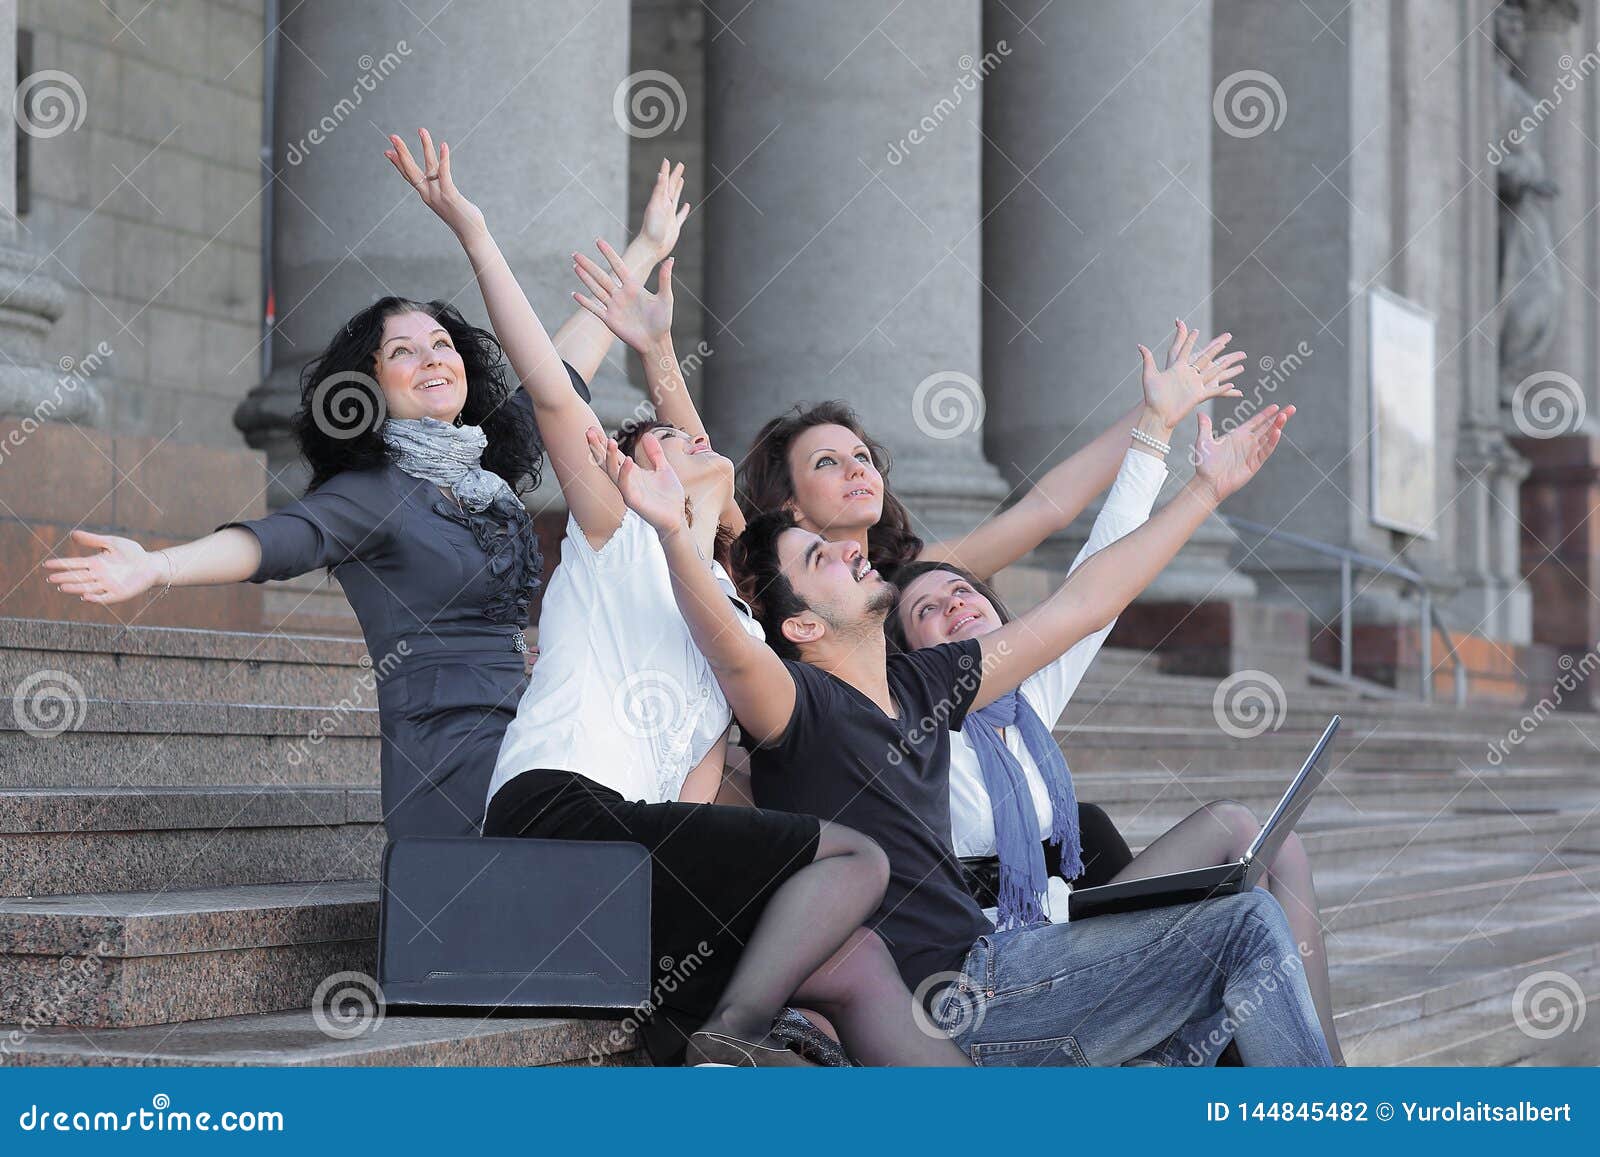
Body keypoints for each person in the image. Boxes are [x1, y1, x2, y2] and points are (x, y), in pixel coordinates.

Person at [378, 128, 970, 1069]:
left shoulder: (725, 618)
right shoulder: (611, 536)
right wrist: (476, 232)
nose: (692, 438)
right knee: (857, 858)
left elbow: (696, 793)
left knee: (855, 957)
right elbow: (549, 388)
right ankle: (727, 1037)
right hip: (554, 818)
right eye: (667, 438)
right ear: (630, 467)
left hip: (629, 871)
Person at [592, 389, 1331, 1066]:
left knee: (1227, 967)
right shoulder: (799, 704)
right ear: (803, 623)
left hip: (1006, 970)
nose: (855, 545)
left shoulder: (927, 683)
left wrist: (1204, 489)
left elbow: (1081, 603)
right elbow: (726, 640)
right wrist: (670, 533)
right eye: (823, 555)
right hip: (953, 999)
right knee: (1249, 927)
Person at [39, 152, 691, 842]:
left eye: (442, 344)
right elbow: (272, 542)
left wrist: (647, 246)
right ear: (371, 386)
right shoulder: (372, 493)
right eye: (403, 353)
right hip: (455, 762)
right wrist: (158, 566)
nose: (432, 358)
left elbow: (557, 373)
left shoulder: (482, 472)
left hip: (528, 729)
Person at [888, 549, 1345, 1062]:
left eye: (962, 590)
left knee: (1263, 841)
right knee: (1246, 917)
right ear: (905, 656)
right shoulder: (921, 734)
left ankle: (1325, 1076)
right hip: (1010, 960)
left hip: (1065, 917)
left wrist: (1171, 473)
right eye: (925, 610)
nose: (953, 605)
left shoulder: (1027, 703)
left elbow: (1100, 582)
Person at [735, 319, 1244, 579]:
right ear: (789, 503)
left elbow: (1047, 509)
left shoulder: (914, 580)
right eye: (827, 462)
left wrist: (1155, 412)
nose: (856, 469)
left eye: (862, 457)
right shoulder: (767, 590)